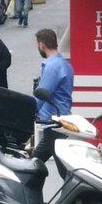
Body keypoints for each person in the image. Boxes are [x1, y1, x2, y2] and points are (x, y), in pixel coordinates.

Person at [33, 28, 74, 177]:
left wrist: (27, 110)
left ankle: (74, 199)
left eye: (37, 45)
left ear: (42, 44)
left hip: (54, 122)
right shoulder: (65, 64)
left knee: (65, 172)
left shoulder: (52, 66)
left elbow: (42, 93)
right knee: (34, 162)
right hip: (57, 122)